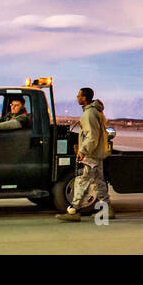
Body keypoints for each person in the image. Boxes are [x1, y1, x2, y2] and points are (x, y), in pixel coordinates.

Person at [56, 87, 112, 221]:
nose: (77, 97)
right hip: (96, 154)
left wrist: (83, 151)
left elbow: (92, 136)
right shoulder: (93, 112)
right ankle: (107, 210)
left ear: (84, 98)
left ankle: (74, 210)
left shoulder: (89, 114)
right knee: (98, 183)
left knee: (83, 181)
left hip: (91, 155)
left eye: (79, 95)